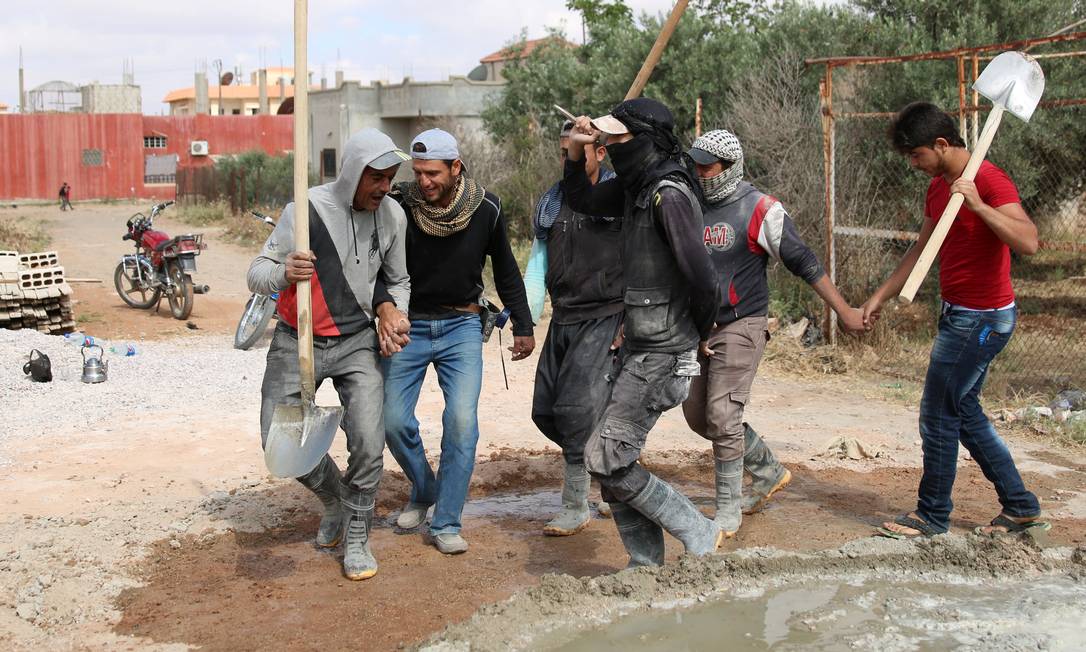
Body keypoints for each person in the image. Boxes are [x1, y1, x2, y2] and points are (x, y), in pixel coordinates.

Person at [863, 102, 1048, 538]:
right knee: (962, 411)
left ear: (942, 144)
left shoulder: (989, 180)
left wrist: (979, 205)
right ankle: (1020, 506)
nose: (913, 164)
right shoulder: (938, 188)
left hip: (982, 320)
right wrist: (879, 296)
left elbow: (1029, 241)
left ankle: (932, 515)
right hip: (958, 314)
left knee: (937, 414)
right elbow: (922, 249)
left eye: (916, 155)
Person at [681, 129, 868, 537]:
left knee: (722, 415)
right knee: (697, 416)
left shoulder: (761, 209)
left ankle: (727, 509)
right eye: (696, 166)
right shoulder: (691, 204)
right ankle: (767, 470)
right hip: (700, 328)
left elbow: (804, 261)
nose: (700, 173)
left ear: (731, 167)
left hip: (742, 323)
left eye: (708, 166)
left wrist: (844, 312)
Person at [247, 128, 412, 581]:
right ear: (354, 173)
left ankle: (358, 532)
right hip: (296, 338)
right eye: (376, 177)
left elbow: (398, 280)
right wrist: (284, 272)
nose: (384, 187)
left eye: (390, 177)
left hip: (357, 342)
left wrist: (395, 314)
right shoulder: (304, 211)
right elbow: (256, 273)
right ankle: (335, 498)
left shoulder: (393, 216)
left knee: (369, 442)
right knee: (276, 439)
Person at [564, 98, 724, 567]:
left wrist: (699, 334)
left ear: (645, 141)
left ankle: (699, 531)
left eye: (617, 138)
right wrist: (575, 152)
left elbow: (703, 278)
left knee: (607, 457)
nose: (609, 145)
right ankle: (645, 563)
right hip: (639, 347)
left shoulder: (667, 195)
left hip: (664, 353)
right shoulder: (637, 186)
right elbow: (582, 199)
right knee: (605, 456)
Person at [376, 128, 535, 555]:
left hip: (461, 326)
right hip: (408, 327)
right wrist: (384, 310)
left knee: (462, 423)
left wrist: (523, 323)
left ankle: (446, 520)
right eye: (418, 172)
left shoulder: (486, 208)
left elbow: (505, 268)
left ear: (456, 167)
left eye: (433, 173)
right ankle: (425, 488)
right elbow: (376, 267)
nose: (423, 181)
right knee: (391, 421)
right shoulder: (398, 206)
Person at [529, 121, 622, 537]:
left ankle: (575, 504)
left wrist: (631, 319)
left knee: (575, 411)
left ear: (600, 152)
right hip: (564, 316)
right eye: (564, 150)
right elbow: (538, 263)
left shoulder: (619, 197)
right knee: (545, 410)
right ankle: (609, 474)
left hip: (605, 314)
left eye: (578, 150)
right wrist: (526, 320)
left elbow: (643, 259)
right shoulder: (552, 202)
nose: (568, 158)